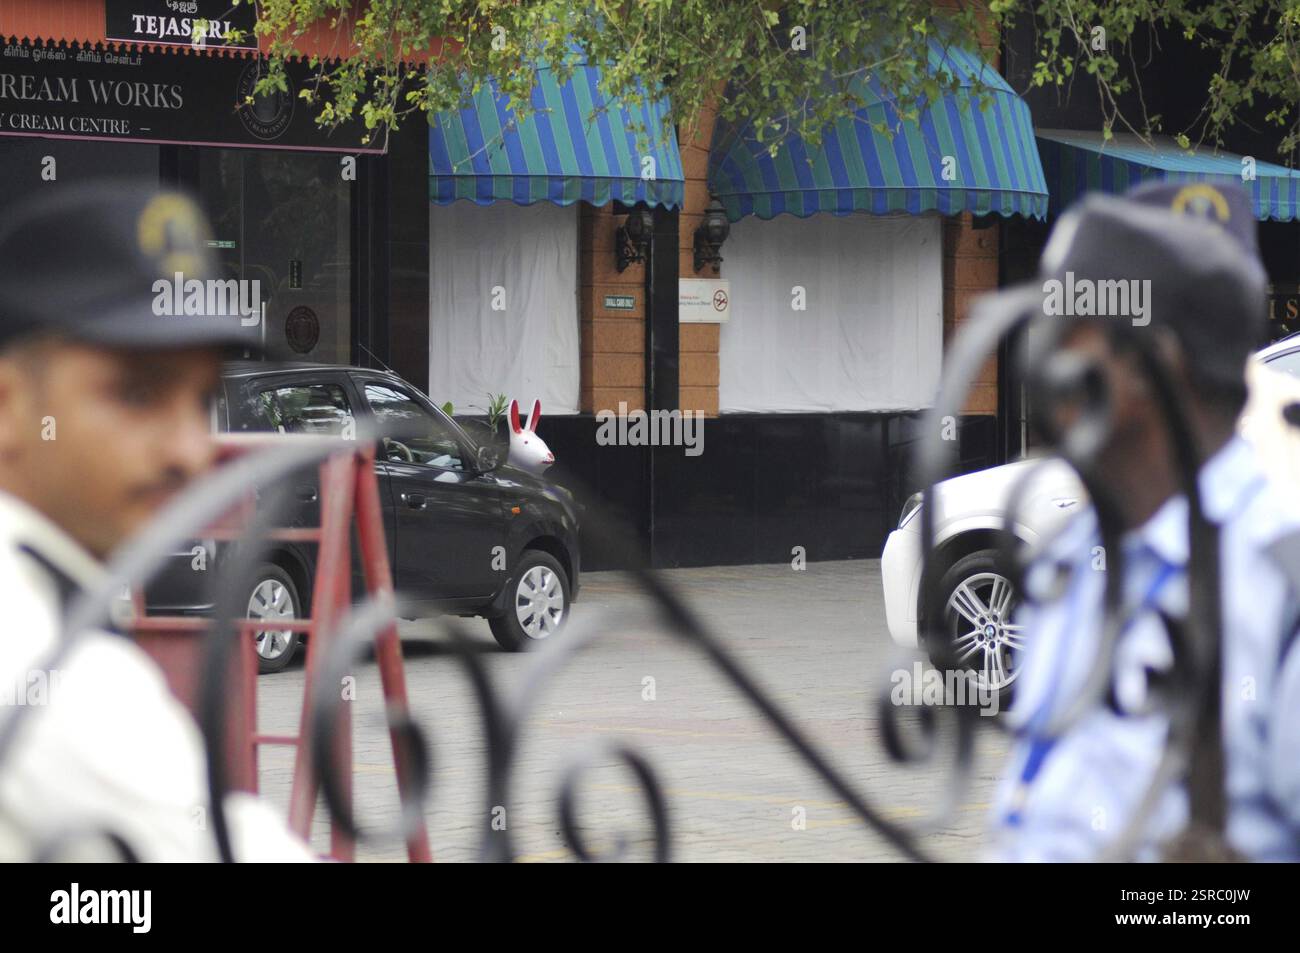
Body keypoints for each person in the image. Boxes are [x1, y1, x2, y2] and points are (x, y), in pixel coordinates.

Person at [986, 181, 1300, 861]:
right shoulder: (1066, 560)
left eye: (1076, 327)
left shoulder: (1282, 589)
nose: (1045, 355)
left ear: (1161, 365)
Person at [0, 183, 312, 861]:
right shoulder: (54, 664)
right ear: (8, 404)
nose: (190, 449)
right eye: (137, 391)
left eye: (203, 398)